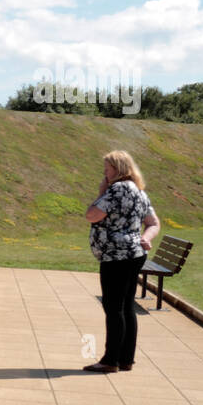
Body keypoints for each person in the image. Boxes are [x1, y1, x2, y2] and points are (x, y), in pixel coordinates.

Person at [83, 151, 161, 373]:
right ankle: (127, 359)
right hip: (134, 254)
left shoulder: (116, 189)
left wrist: (101, 193)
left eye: (107, 169)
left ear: (118, 169)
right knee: (127, 306)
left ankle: (110, 360)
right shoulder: (139, 192)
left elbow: (92, 215)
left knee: (113, 307)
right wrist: (145, 238)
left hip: (116, 256)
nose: (104, 173)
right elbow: (153, 223)